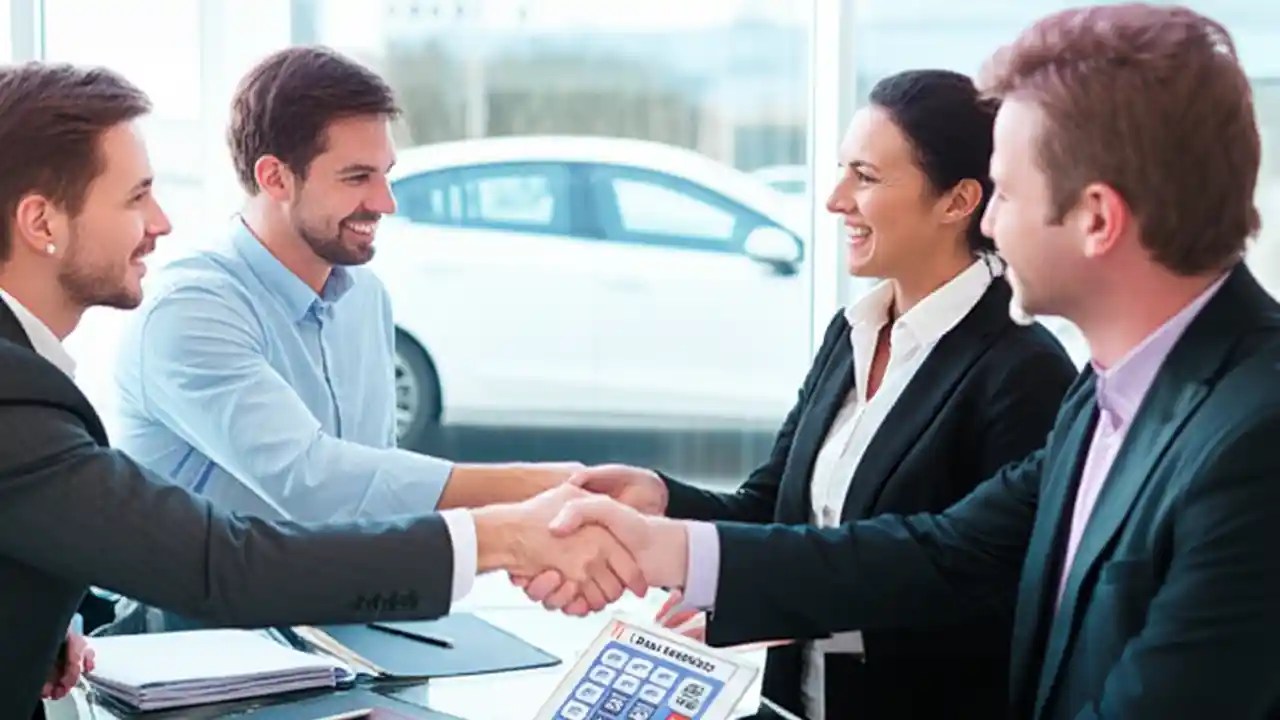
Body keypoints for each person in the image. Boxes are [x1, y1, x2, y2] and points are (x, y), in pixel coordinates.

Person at [530, 4, 1280, 718]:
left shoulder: (1256, 437)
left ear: (1095, 219)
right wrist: (665, 544)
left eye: (1007, 195)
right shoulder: (1107, 395)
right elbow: (939, 553)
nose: (988, 221)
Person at [0, 61, 644, 719]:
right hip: (204, 648)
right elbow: (287, 506)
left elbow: (374, 491)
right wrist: (517, 521)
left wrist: (45, 624)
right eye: (136, 197)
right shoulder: (139, 332)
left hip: (345, 629)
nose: (162, 222)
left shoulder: (366, 299)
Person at [541, 69, 1076, 719]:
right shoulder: (852, 333)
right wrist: (660, 500)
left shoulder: (1022, 371)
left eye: (866, 177)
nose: (834, 199)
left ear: (958, 201)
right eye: (842, 171)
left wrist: (790, 604)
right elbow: (777, 512)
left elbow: (973, 586)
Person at [102, 46, 589, 633]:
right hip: (198, 637)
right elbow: (316, 484)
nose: (384, 202)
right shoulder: (189, 311)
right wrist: (550, 488)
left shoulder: (364, 296)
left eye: (385, 174)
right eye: (357, 177)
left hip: (342, 615)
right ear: (274, 177)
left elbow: (374, 489)